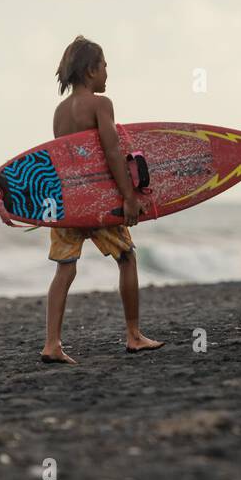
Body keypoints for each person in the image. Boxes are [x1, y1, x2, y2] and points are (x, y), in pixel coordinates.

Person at [40, 36, 164, 363]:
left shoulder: (59, 112)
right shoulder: (100, 105)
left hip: (69, 203)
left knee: (65, 270)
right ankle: (134, 335)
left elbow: (66, 159)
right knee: (127, 257)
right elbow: (112, 152)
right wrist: (128, 196)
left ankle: (52, 343)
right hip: (98, 202)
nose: (108, 71)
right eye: (105, 65)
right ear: (90, 70)